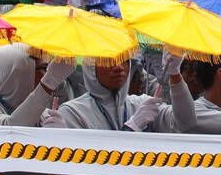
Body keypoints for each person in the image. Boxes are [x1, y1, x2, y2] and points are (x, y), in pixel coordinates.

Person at [50, 54, 196, 133]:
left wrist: (175, 74)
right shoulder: (73, 112)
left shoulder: (142, 104)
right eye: (108, 61)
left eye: (124, 60)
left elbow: (186, 123)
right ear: (91, 67)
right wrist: (133, 126)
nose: (119, 67)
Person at [0, 44, 75, 127]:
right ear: (19, 74)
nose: (47, 74)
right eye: (44, 68)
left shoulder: (46, 115)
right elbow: (12, 130)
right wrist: (50, 81)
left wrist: (59, 137)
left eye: (48, 70)